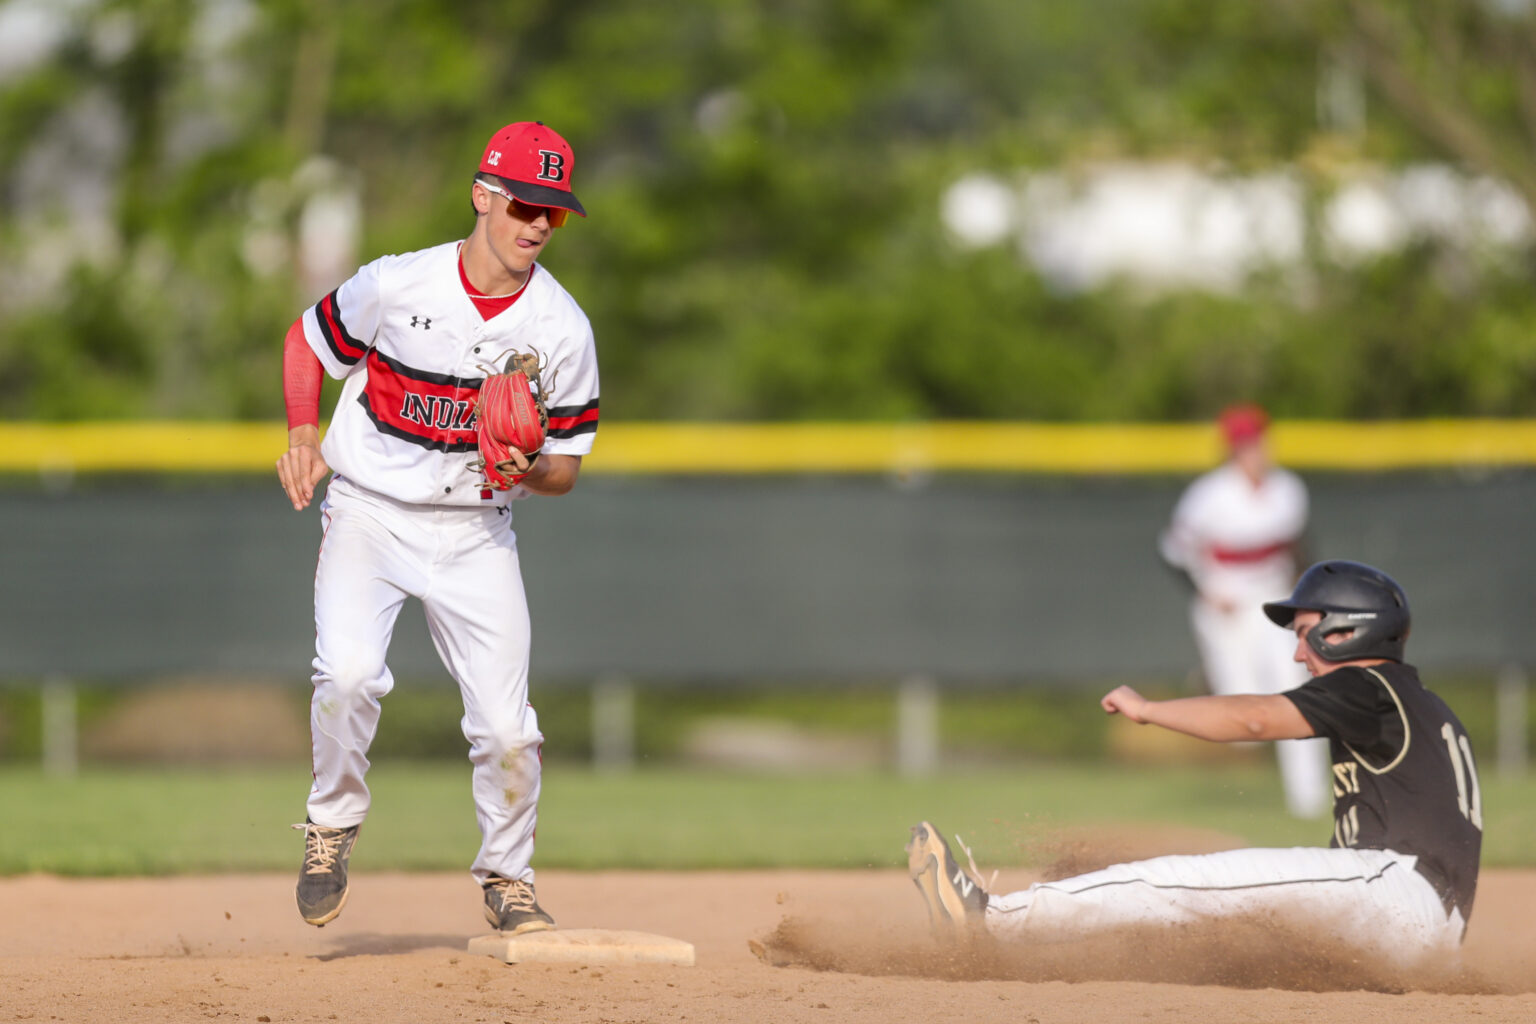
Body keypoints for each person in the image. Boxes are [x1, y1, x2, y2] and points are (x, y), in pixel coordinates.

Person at [274, 120, 600, 934]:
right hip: (370, 514)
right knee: (347, 677)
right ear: (483, 196)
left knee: (506, 731)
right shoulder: (400, 285)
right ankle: (331, 826)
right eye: (525, 204)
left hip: (476, 532)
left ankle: (508, 880)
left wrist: (528, 468)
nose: (536, 225)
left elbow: (567, 469)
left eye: (552, 213)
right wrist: (303, 435)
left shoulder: (562, 328)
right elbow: (307, 341)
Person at [908, 560, 1482, 969]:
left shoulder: (1369, 684)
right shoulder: (1416, 703)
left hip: (1394, 892)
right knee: (1231, 931)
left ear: (1347, 631)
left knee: (1191, 881)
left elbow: (1255, 721)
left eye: (1307, 634)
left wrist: (1149, 710)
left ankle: (993, 921)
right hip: (1426, 930)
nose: (1297, 652)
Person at [1159, 403, 1328, 818]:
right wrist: (1205, 590)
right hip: (1227, 612)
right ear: (1234, 449)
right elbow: (1172, 551)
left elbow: (1298, 550)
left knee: (1298, 695)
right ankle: (1211, 681)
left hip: (1273, 604)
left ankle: (1311, 803)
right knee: (1245, 731)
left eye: (1260, 440)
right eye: (1247, 443)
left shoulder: (1288, 490)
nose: (1257, 450)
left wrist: (1308, 602)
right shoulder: (1208, 495)